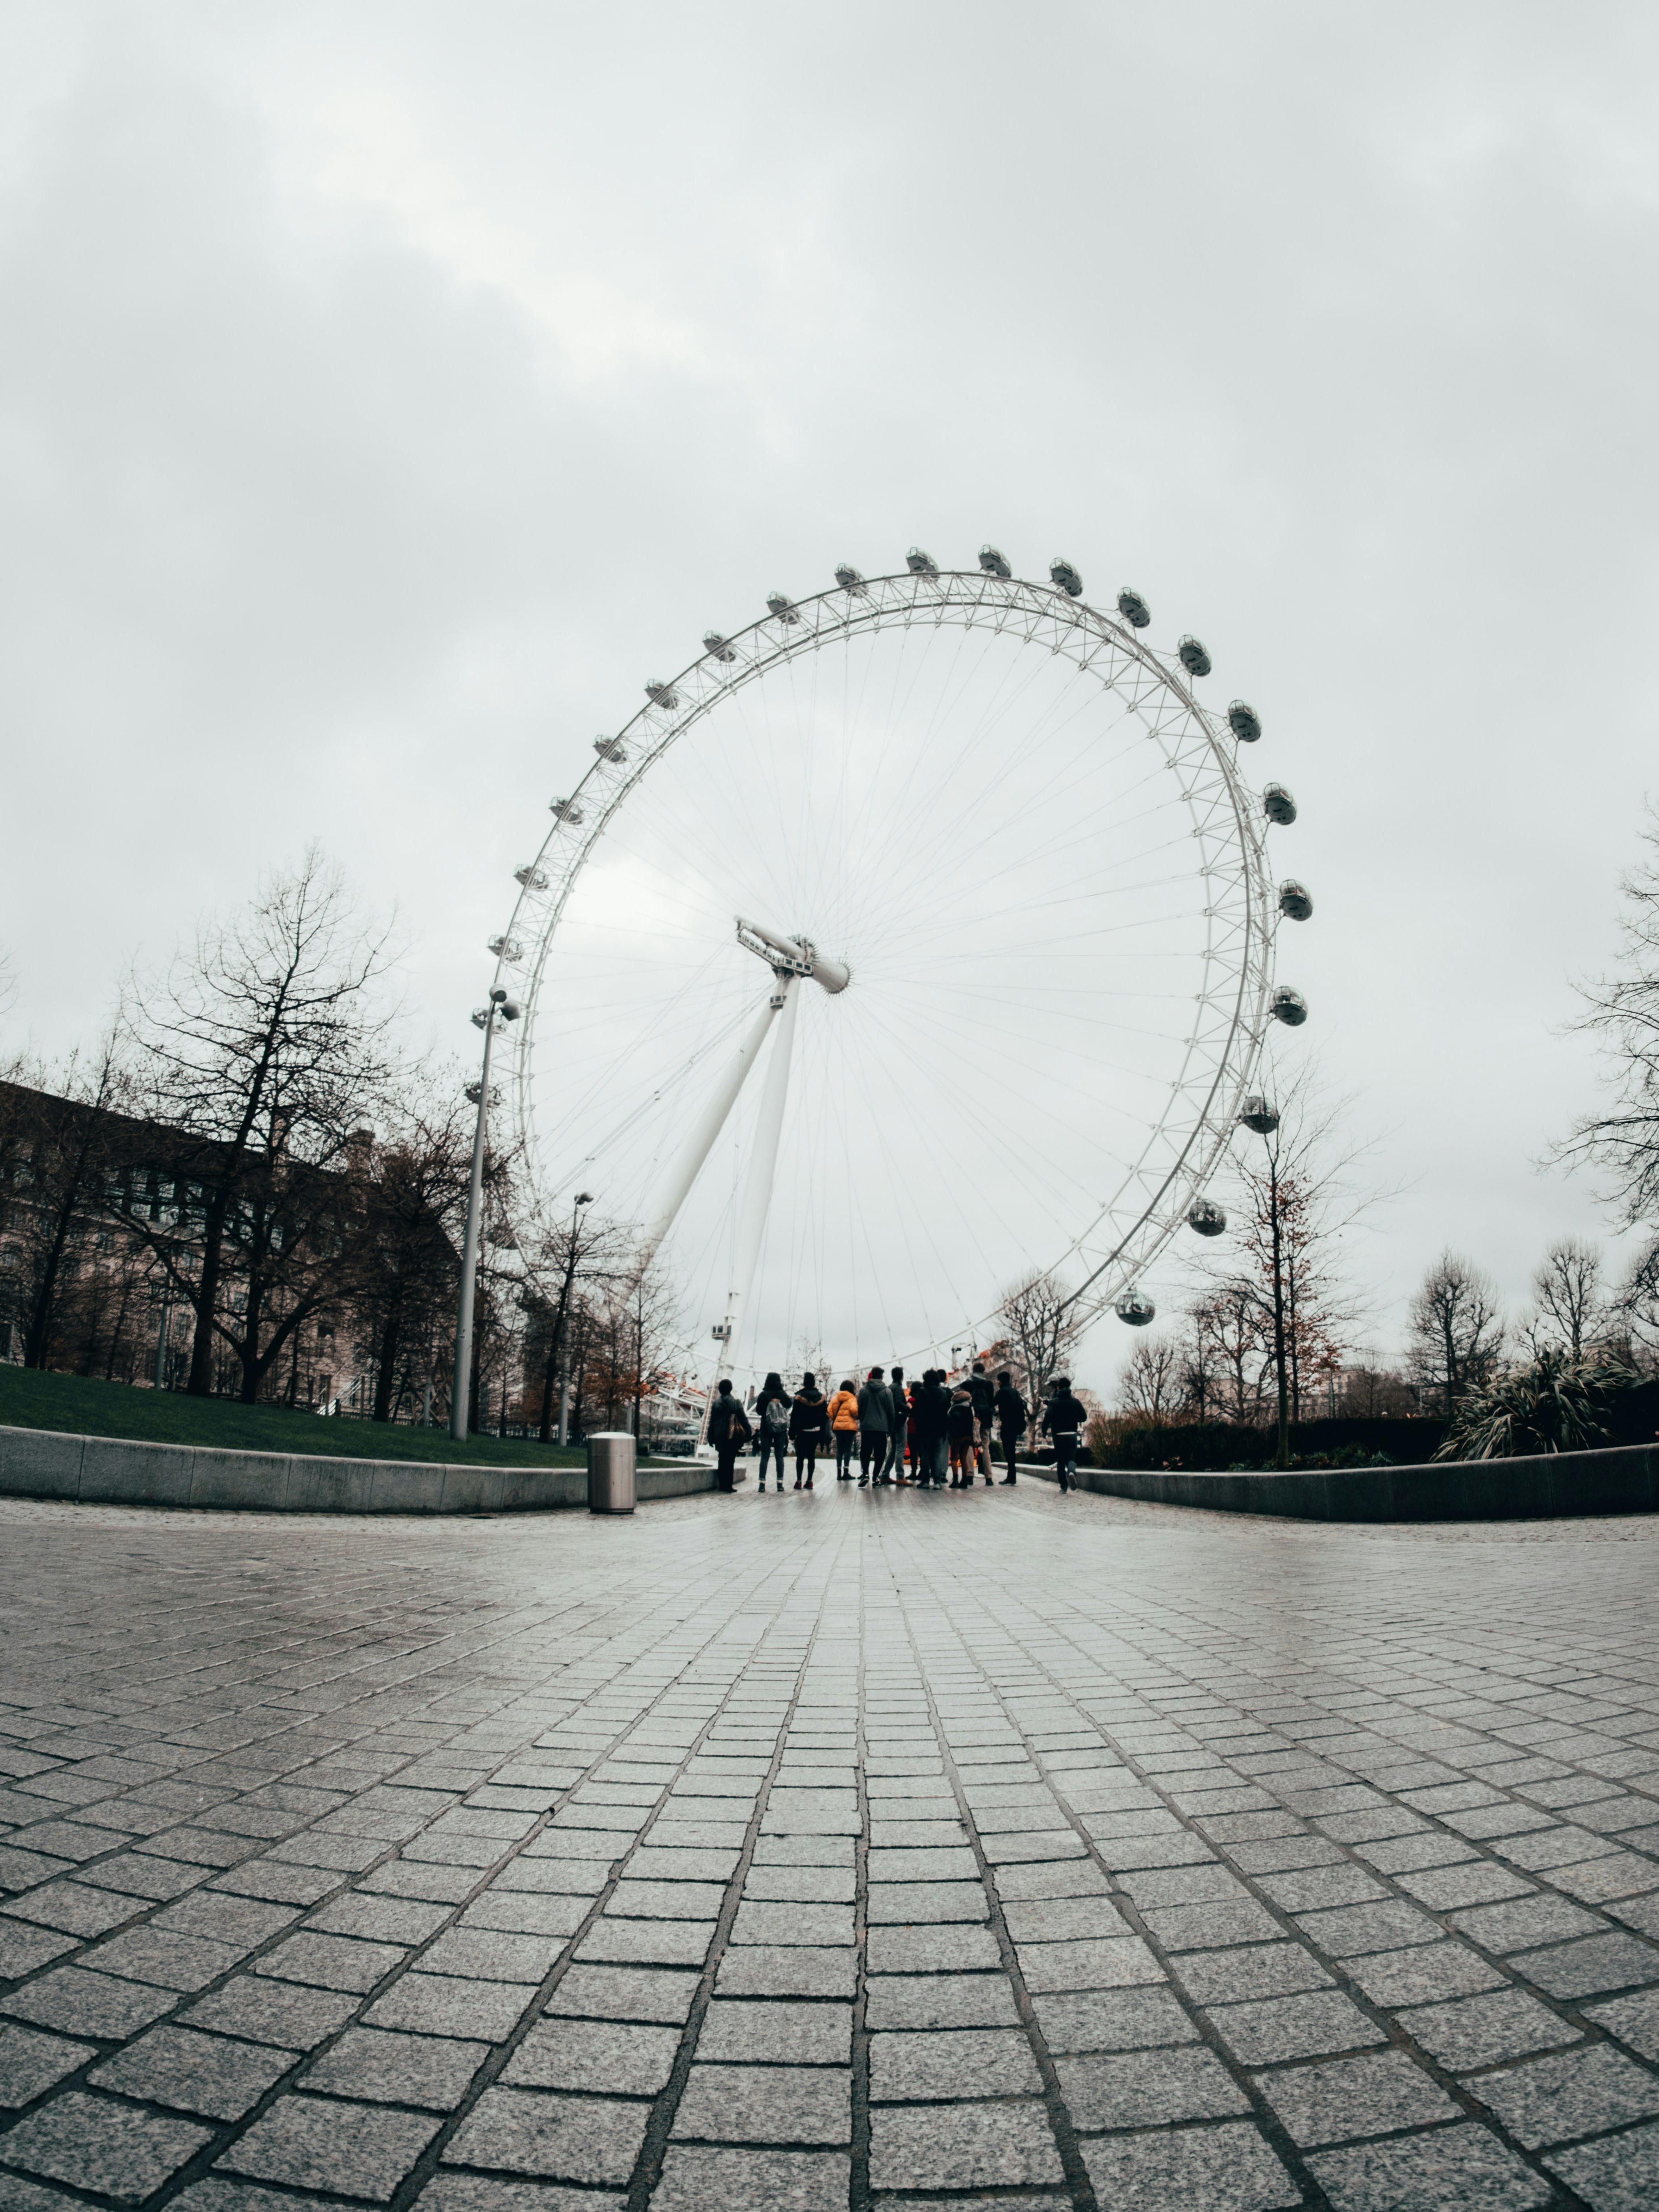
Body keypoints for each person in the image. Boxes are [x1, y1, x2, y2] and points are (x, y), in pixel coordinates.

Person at [1044, 1376, 1089, 1493]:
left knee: (1061, 1461)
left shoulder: (1054, 1402)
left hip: (1058, 1434)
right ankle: (1071, 1472)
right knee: (1071, 1458)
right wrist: (1073, 1418)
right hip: (1072, 1434)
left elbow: (1048, 1417)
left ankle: (1064, 1487)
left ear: (1058, 1388)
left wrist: (1044, 1431)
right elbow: (1084, 1417)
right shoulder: (1075, 1402)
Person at [706, 1379, 752, 1493]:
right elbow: (743, 1419)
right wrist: (749, 1431)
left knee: (722, 1459)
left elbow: (712, 1422)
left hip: (719, 1435)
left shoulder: (716, 1403)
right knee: (730, 1460)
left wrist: (710, 1436)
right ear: (731, 1389)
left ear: (720, 1390)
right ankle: (728, 1485)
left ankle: (722, 1485)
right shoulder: (736, 1402)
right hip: (732, 1434)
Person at [790, 1372, 829, 1489]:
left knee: (801, 1457)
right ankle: (810, 1481)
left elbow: (794, 1417)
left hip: (802, 1431)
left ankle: (799, 1481)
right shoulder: (821, 1398)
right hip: (816, 1431)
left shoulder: (799, 1398)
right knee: (811, 1456)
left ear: (804, 1382)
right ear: (814, 1383)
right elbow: (824, 1417)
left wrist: (792, 1433)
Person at [753, 1372, 790, 1492]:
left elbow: (759, 1411)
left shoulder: (763, 1395)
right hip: (780, 1429)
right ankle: (780, 1484)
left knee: (765, 1456)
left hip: (766, 1428)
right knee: (779, 1456)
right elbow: (789, 1404)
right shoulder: (782, 1394)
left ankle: (762, 1484)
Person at [914, 1369, 951, 1487]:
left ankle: (925, 1481)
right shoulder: (944, 1394)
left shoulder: (922, 1392)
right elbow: (947, 1412)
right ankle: (937, 1481)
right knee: (937, 1454)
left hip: (925, 1428)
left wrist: (919, 1427)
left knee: (925, 1454)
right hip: (940, 1429)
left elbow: (916, 1412)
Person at [858, 1366, 892, 1485]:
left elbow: (860, 1409)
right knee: (880, 1453)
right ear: (882, 1377)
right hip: (882, 1427)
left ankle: (865, 1474)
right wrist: (890, 1428)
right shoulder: (887, 1392)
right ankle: (876, 1477)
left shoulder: (863, 1391)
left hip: (867, 1426)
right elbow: (891, 1412)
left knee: (865, 1451)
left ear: (871, 1376)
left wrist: (863, 1421)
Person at [965, 1360, 997, 1485]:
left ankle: (970, 1476)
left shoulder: (966, 1384)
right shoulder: (989, 1385)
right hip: (986, 1419)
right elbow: (991, 1402)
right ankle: (989, 1478)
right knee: (985, 1448)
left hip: (971, 1418)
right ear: (984, 1371)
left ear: (973, 1370)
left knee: (970, 1446)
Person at [994, 1369, 1027, 1485]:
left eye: (998, 1380)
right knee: (1011, 1451)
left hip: (1007, 1425)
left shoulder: (1002, 1392)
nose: (997, 1382)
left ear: (1001, 1381)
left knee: (1008, 1451)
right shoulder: (1015, 1391)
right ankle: (1012, 1476)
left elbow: (992, 1403)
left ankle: (1011, 1477)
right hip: (1016, 1424)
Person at [828, 1378, 859, 1479]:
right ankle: (846, 1472)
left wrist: (835, 1419)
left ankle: (839, 1473)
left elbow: (829, 1410)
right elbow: (855, 1410)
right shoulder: (852, 1398)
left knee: (839, 1449)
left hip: (838, 1427)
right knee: (847, 1449)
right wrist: (856, 1416)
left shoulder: (835, 1398)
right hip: (849, 1427)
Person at [946, 1385, 977, 1486]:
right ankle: (964, 1481)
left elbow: (950, 1421)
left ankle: (955, 1481)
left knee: (954, 1458)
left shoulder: (955, 1408)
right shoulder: (970, 1407)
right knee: (964, 1458)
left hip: (957, 1436)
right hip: (968, 1436)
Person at [882, 1365, 908, 1482]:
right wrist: (908, 1408)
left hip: (891, 1422)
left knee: (893, 1448)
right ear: (902, 1377)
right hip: (900, 1420)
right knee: (901, 1448)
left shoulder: (889, 1388)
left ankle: (885, 1475)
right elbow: (898, 1403)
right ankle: (900, 1476)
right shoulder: (898, 1388)